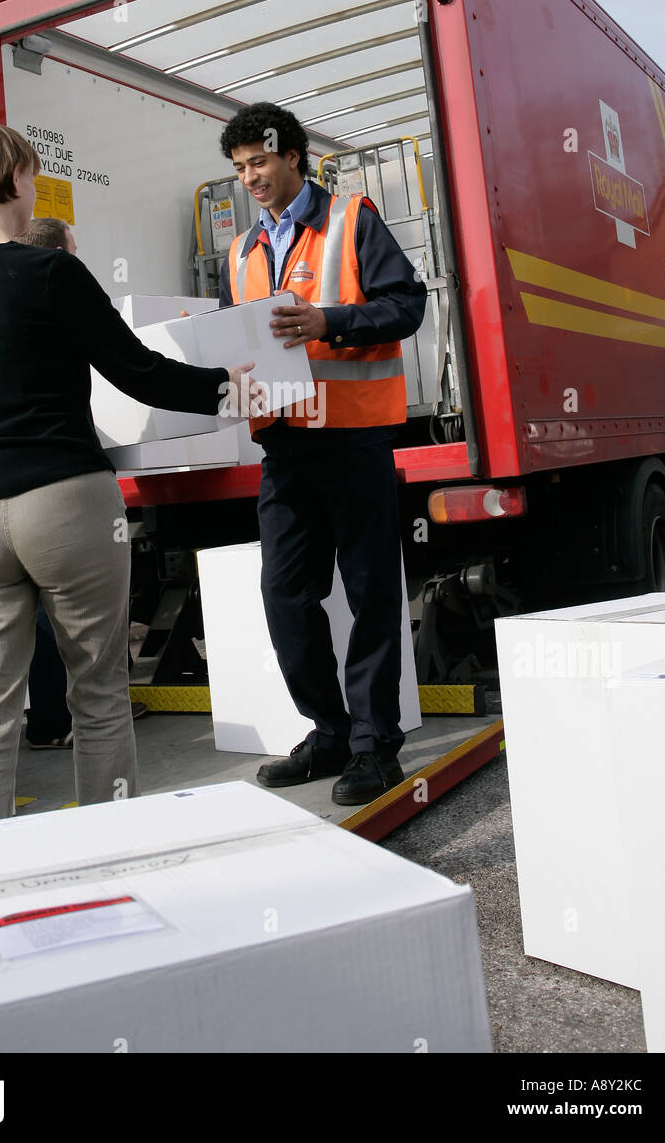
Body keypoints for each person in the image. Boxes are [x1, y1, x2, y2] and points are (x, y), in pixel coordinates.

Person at [0, 121, 260, 826]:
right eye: (32, 176)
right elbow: (139, 373)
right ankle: (109, 871)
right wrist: (227, 390)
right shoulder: (50, 270)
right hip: (64, 500)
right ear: (16, 180)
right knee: (100, 694)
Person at [219, 102, 426, 805]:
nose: (251, 177)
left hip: (353, 434)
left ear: (293, 157)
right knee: (283, 592)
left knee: (368, 590)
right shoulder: (241, 251)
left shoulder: (350, 217)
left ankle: (374, 746)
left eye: (260, 162)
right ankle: (328, 730)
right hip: (283, 443)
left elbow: (406, 303)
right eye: (240, 167)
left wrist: (329, 322)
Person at [16, 214, 147, 741]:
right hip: (65, 487)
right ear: (59, 256)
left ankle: (47, 720)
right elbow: (137, 370)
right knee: (85, 623)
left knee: (37, 616)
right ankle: (80, 724)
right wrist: (219, 388)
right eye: (74, 251)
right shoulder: (62, 296)